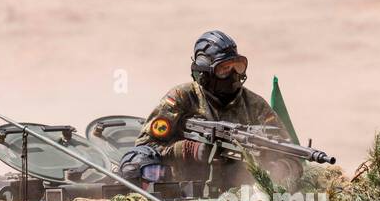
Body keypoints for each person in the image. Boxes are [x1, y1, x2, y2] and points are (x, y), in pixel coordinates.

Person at [118, 30, 290, 187]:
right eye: (224, 69)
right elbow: (145, 147)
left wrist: (281, 169)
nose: (233, 74)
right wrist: (187, 150)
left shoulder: (254, 105)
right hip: (184, 192)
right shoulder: (182, 97)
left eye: (238, 66)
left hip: (243, 194)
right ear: (204, 73)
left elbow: (288, 150)